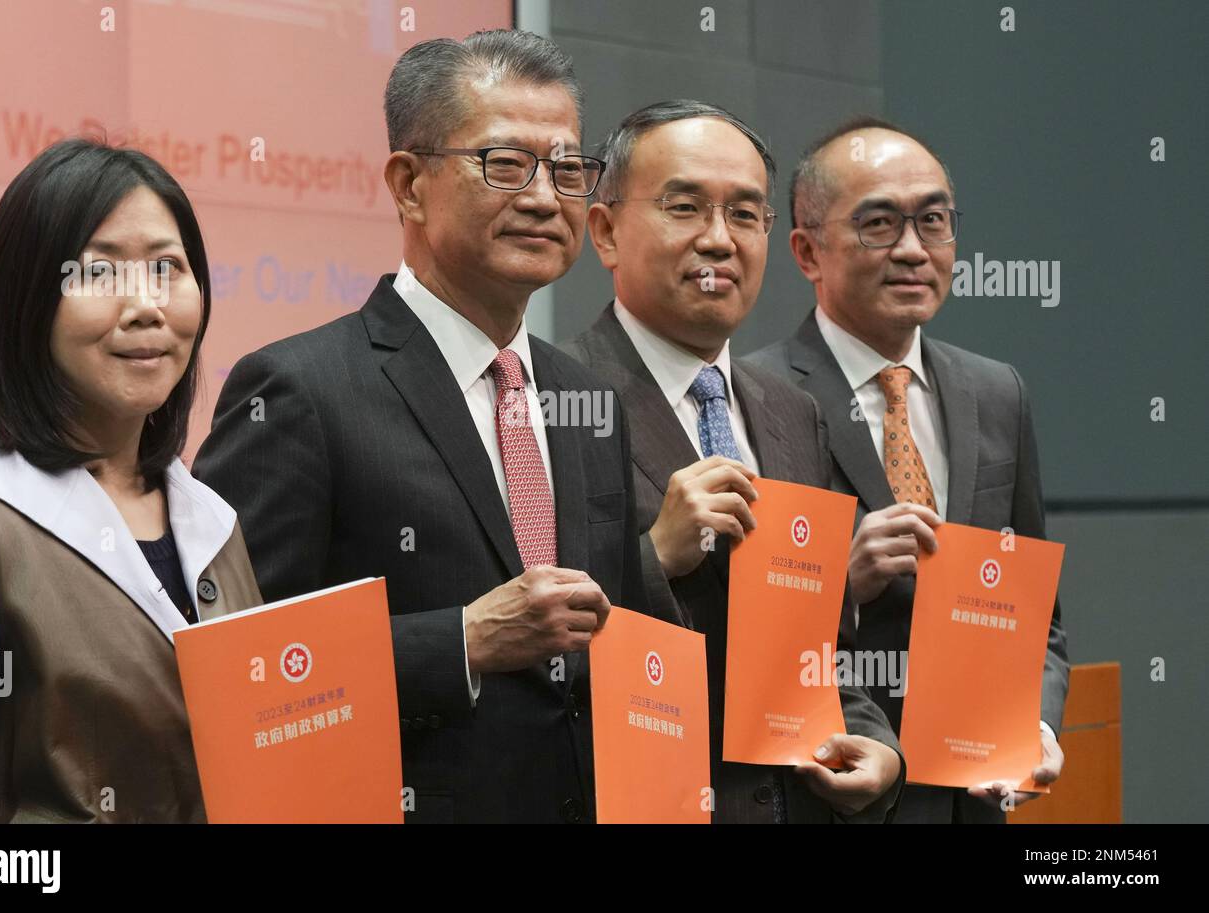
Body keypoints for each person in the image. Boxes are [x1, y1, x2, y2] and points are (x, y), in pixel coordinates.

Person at [193, 30, 658, 824]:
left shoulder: (589, 398)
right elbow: (238, 680)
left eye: (567, 168)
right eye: (505, 164)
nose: (546, 198)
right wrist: (464, 640)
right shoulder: (298, 389)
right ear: (408, 184)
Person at [564, 100, 903, 823]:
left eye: (745, 215)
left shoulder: (792, 412)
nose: (719, 240)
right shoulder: (554, 402)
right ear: (604, 231)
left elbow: (823, 644)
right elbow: (537, 664)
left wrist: (874, 739)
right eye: (684, 207)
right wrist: (654, 555)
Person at [0, 138, 263, 823]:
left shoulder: (214, 521)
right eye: (100, 274)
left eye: (168, 268)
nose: (146, 306)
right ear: (27, 303)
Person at [744, 116, 1069, 823]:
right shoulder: (754, 394)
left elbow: (1039, 617)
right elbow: (739, 628)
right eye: (880, 225)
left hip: (977, 797)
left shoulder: (997, 390)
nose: (915, 250)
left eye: (934, 221)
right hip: (834, 792)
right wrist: (843, 582)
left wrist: (1036, 727)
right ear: (806, 250)